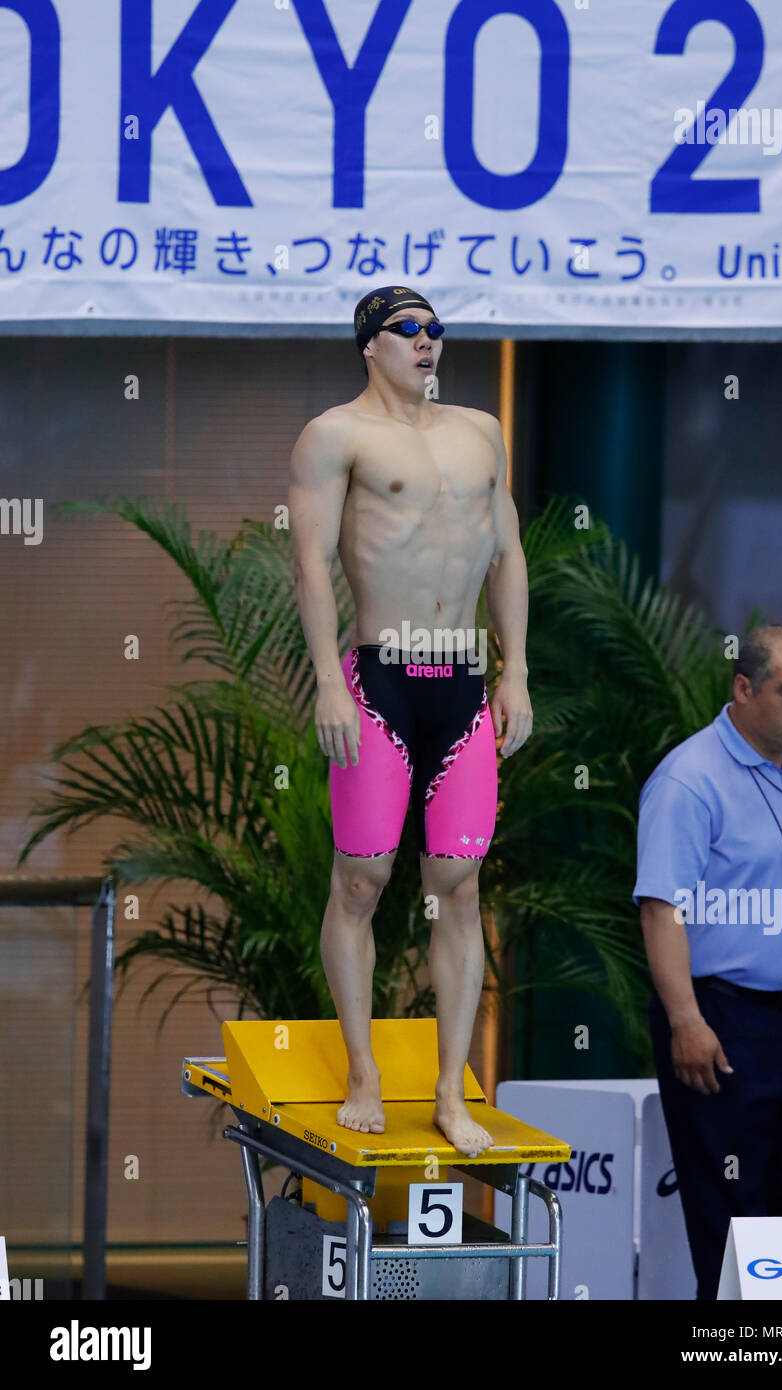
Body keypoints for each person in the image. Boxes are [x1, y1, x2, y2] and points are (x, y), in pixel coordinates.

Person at [287, 285, 532, 1155]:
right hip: (379, 680)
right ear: (370, 345)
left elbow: (506, 554)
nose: (427, 343)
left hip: (462, 684)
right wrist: (326, 681)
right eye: (408, 330)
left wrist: (517, 673)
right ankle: (363, 1071)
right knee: (361, 879)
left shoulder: (480, 431)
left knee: (457, 886)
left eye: (435, 330)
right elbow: (313, 567)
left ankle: (449, 1092)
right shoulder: (336, 435)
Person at [634, 625, 782, 1299]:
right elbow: (661, 910)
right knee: (734, 1214)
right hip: (723, 1019)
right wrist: (685, 1018)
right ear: (743, 689)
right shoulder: (688, 779)